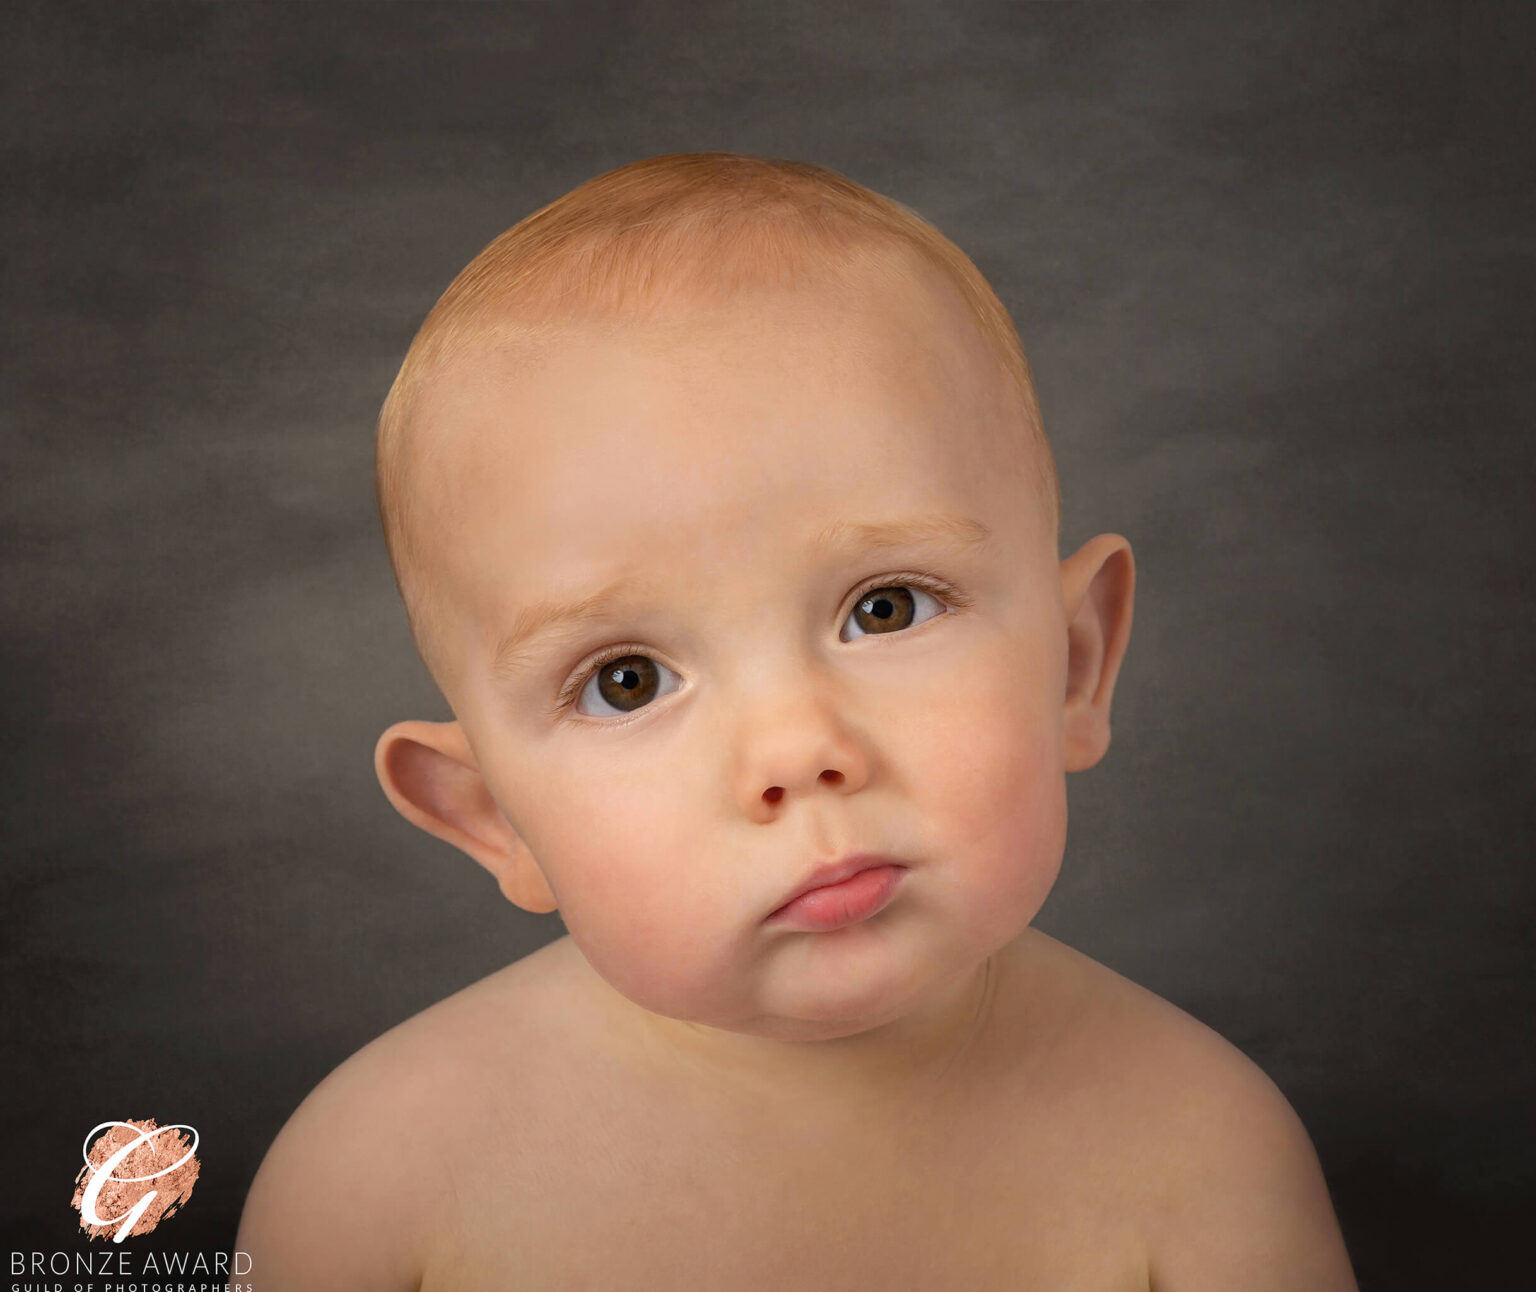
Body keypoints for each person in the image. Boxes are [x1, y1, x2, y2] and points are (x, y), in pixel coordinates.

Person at [238, 153, 1357, 1290]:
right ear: (494, 820)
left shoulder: (1203, 1149)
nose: (797, 750)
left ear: (1074, 663)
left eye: (886, 607)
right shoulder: (376, 1181)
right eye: (626, 679)